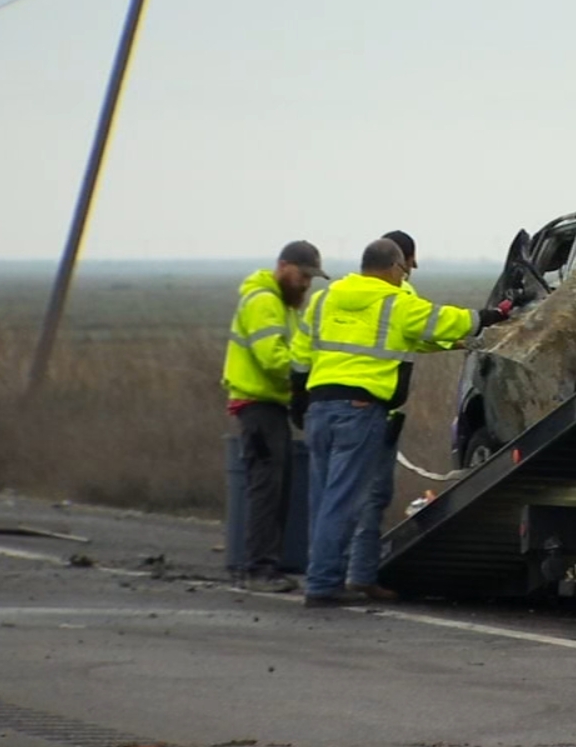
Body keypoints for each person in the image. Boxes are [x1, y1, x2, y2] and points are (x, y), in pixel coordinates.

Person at [291, 238, 513, 607]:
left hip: (319, 409)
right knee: (343, 501)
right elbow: (442, 320)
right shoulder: (395, 302)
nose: (405, 274)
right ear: (395, 268)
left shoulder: (324, 299)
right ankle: (323, 584)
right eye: (404, 269)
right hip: (360, 410)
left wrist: (297, 401)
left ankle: (324, 574)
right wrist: (493, 315)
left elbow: (300, 353)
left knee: (324, 499)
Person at [344, 229, 449, 593]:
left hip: (351, 407)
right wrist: (480, 329)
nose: (413, 268)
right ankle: (353, 575)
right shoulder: (398, 296)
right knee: (366, 495)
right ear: (398, 263)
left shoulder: (340, 295)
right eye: (410, 261)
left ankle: (343, 572)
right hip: (370, 408)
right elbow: (426, 331)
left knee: (348, 494)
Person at [220, 240, 327, 593]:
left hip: (271, 406)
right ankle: (258, 570)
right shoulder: (265, 302)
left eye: (311, 278)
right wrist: (307, 381)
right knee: (266, 488)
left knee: (275, 486)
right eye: (303, 274)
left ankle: (266, 564)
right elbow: (274, 358)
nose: (306, 283)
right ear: (283, 267)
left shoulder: (286, 304)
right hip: (258, 405)